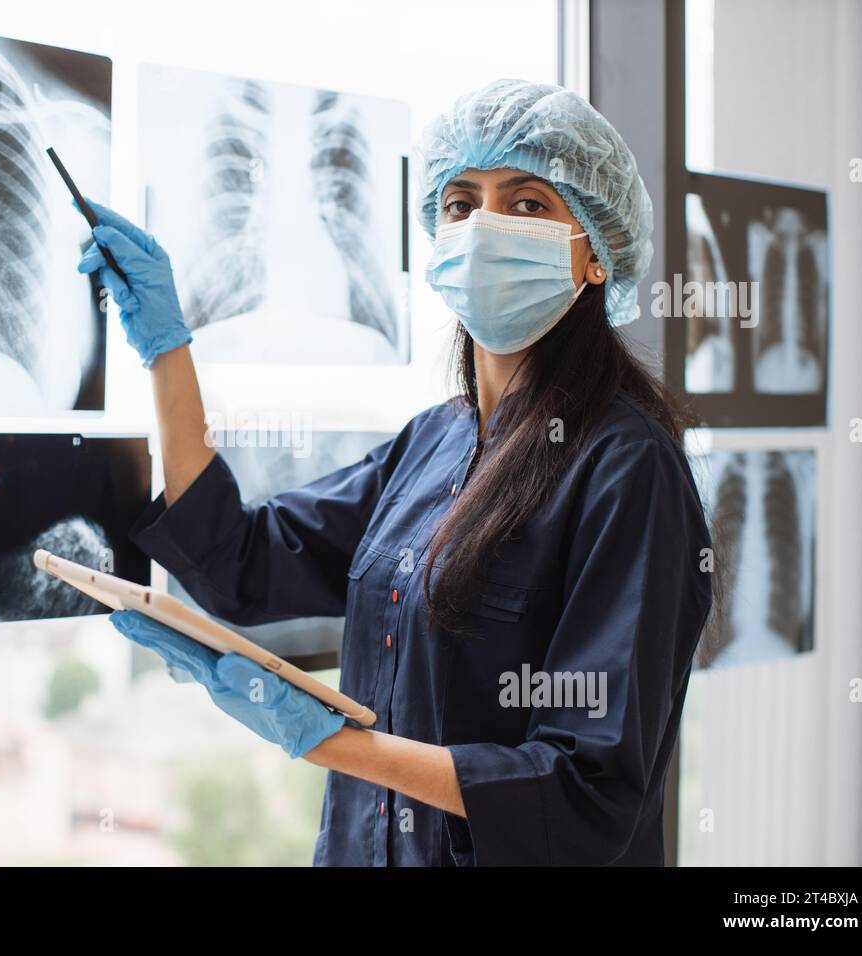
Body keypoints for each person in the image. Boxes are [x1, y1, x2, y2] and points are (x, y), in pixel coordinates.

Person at [75, 78, 714, 866]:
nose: (482, 226)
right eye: (459, 202)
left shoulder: (627, 468)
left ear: (595, 253)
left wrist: (335, 743)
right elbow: (241, 564)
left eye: (526, 204)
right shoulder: (433, 443)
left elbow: (588, 793)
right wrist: (168, 350)